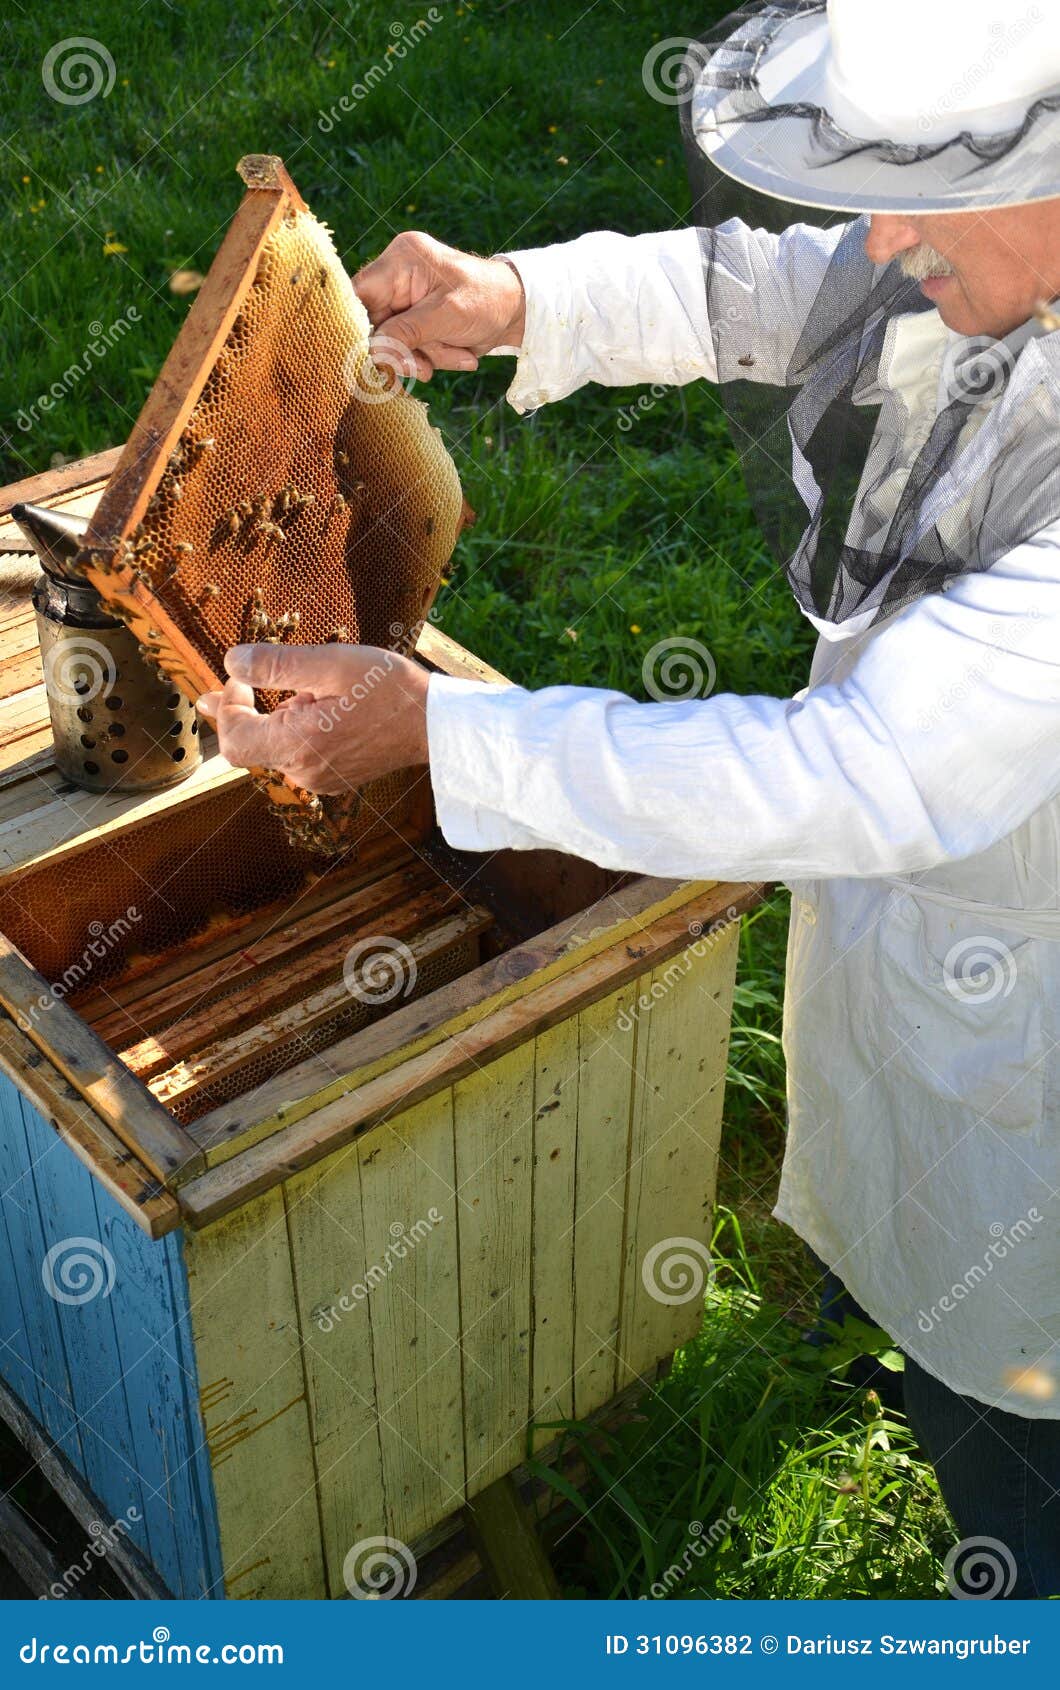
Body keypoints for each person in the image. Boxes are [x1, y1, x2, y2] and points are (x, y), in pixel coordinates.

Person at [199, 0, 1060, 1598]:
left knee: (1016, 1431)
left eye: (923, 186)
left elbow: (857, 772)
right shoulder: (993, 259)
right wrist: (524, 298)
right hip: (947, 938)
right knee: (914, 1176)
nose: (878, 229)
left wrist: (446, 738)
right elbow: (797, 292)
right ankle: (900, 1284)